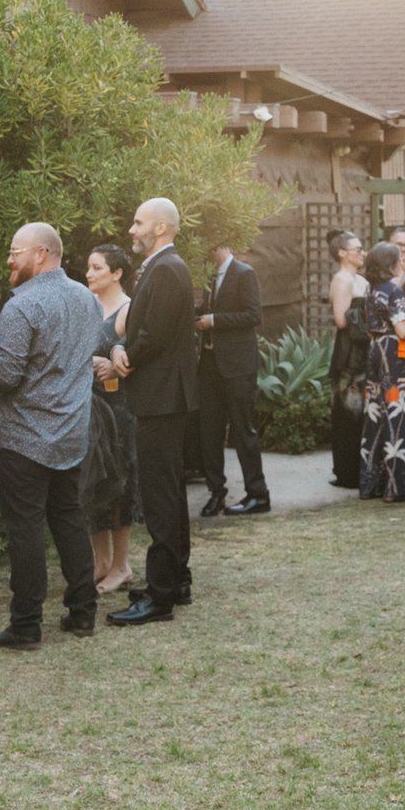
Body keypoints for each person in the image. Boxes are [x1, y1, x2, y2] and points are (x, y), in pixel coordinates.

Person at [0, 223, 102, 649]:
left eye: (16, 252)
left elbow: (7, 377)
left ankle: (27, 624)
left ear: (42, 254)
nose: (9, 260)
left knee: (26, 528)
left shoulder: (22, 306)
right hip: (70, 433)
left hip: (27, 437)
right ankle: (83, 612)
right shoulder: (88, 299)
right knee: (69, 518)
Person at [110, 198, 199, 625]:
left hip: (162, 395)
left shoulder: (166, 268)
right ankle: (176, 579)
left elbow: (154, 333)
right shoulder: (166, 267)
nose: (132, 229)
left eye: (139, 222)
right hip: (166, 395)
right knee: (170, 491)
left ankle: (160, 595)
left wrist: (124, 357)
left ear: (161, 228)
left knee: (160, 495)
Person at [195, 242, 269, 516]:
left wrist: (214, 321)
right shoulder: (210, 276)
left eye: (208, 246)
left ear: (222, 245)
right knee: (209, 432)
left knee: (243, 430)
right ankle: (217, 493)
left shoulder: (244, 273)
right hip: (210, 365)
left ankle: (258, 494)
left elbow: (253, 315)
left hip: (238, 366)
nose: (206, 253)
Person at [83, 243, 139, 593]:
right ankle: (100, 561)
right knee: (93, 484)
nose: (89, 274)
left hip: (119, 410)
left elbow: (138, 357)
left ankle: (122, 564)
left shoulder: (128, 309)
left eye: (97, 268)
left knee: (121, 483)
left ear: (117, 273)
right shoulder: (86, 306)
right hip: (88, 409)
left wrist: (116, 365)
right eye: (88, 268)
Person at [356, 242, 405, 502]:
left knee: (374, 413)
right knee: (399, 411)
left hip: (374, 349)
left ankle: (371, 482)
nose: (402, 260)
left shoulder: (370, 290)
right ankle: (398, 486)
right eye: (398, 257)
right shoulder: (394, 290)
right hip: (394, 354)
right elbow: (403, 330)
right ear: (390, 264)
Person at [326, 230, 367, 490]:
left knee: (362, 411)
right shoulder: (341, 280)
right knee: (348, 410)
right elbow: (341, 319)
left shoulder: (360, 279)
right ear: (342, 253)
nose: (362, 253)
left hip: (362, 348)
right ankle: (347, 471)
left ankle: (362, 466)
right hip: (349, 350)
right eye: (357, 248)